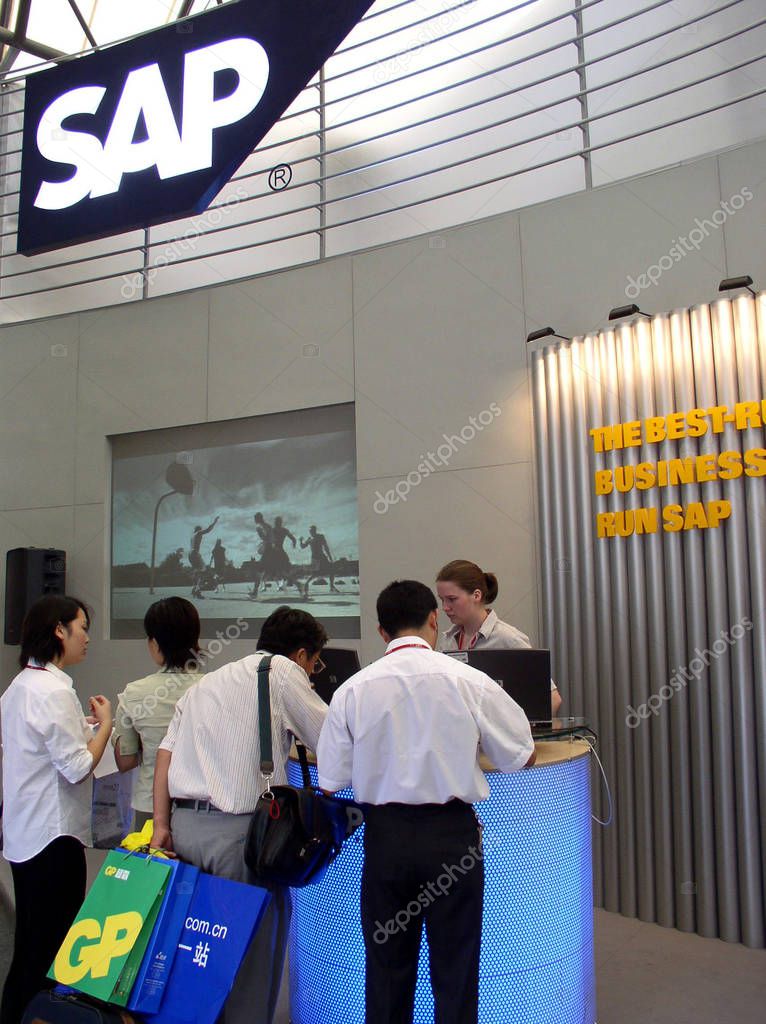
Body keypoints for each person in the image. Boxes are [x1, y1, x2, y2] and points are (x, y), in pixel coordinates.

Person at [317, 580, 536, 1024]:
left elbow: (331, 779)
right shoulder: (469, 680)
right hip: (451, 840)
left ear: (381, 632)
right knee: (455, 972)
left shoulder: (353, 690)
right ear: (434, 620)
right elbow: (521, 753)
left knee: (386, 971)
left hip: (386, 841)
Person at [152, 606, 329, 1024]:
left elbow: (165, 753)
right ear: (301, 655)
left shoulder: (207, 682)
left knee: (195, 957)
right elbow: (331, 738)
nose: (314, 672)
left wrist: (161, 827)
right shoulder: (282, 672)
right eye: (315, 663)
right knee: (251, 962)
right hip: (241, 840)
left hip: (185, 829)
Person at [0, 596, 112, 1024]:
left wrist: (82, 729)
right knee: (51, 953)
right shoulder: (53, 692)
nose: (87, 637)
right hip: (54, 838)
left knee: (29, 947)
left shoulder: (20, 687)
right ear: (59, 631)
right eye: (82, 627)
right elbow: (78, 768)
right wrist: (105, 726)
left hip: (24, 835)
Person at [112, 597, 204, 831]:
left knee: (151, 867)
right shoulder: (213, 688)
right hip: (201, 808)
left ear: (154, 643)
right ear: (195, 640)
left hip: (150, 806)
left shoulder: (133, 694)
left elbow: (125, 761)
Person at [436, 559, 562, 715]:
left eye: (452, 599)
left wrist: (515, 733)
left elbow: (552, 699)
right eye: (442, 600)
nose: (445, 608)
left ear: (476, 595)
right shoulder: (447, 641)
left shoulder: (508, 638)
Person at [299, 523, 339, 597]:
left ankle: (331, 587)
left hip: (322, 556)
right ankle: (306, 584)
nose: (311, 532)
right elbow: (303, 546)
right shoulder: (309, 539)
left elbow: (325, 547)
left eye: (312, 530)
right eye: (310, 531)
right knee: (314, 574)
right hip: (315, 558)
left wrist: (330, 557)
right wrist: (300, 541)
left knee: (332, 570)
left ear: (315, 530)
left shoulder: (320, 537)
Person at [189, 515, 219, 597]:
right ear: (199, 529)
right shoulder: (198, 533)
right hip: (195, 553)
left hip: (190, 554)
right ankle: (197, 591)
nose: (202, 536)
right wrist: (215, 522)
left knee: (197, 572)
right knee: (204, 571)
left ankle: (194, 588)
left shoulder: (192, 536)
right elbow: (208, 530)